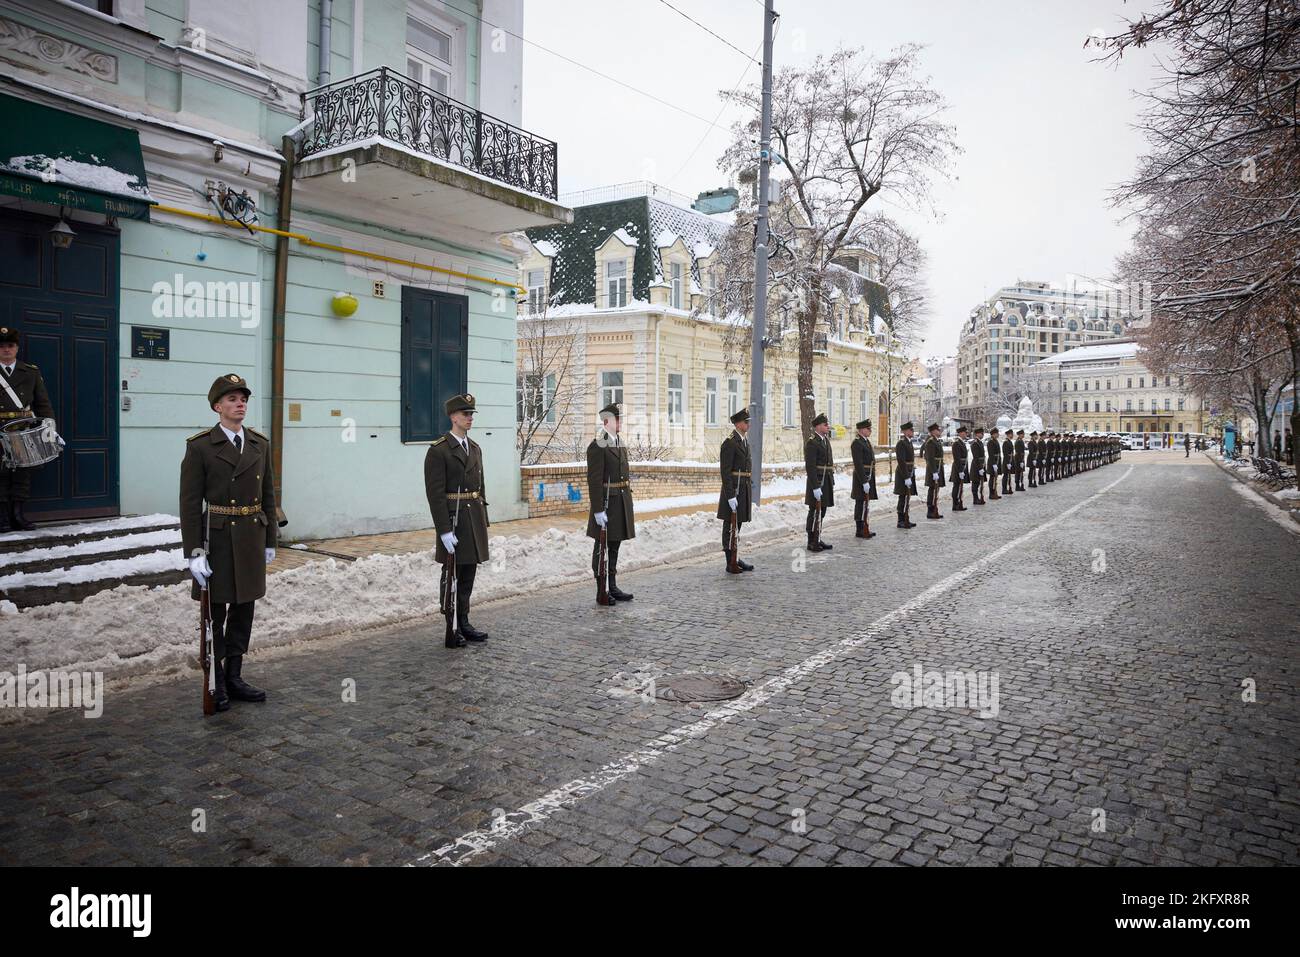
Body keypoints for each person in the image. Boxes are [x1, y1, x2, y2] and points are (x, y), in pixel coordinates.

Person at [180, 374, 277, 712]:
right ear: (217, 406)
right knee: (215, 611)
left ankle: (235, 676)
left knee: (244, 609)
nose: (240, 404)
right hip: (217, 538)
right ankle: (217, 678)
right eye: (233, 399)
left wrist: (270, 539)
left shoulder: (259, 444)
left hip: (251, 535)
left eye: (243, 399)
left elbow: (268, 494)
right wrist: (193, 552)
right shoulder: (200, 446)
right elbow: (190, 505)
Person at [425, 393, 492, 647]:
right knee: (451, 574)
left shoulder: (474, 448)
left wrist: (483, 520)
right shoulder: (438, 451)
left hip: (472, 519)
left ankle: (464, 621)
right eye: (465, 414)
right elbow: (435, 495)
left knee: (468, 574)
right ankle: (451, 624)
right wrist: (443, 530)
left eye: (472, 414)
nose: (470, 418)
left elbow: (480, 488)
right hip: (453, 521)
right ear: (453, 417)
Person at [0, 326, 59, 532]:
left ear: (17, 348)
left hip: (22, 429)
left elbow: (43, 402)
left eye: (10, 346)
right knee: (1, 472)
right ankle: (3, 518)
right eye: (2, 346)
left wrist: (49, 426)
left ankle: (18, 515)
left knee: (22, 472)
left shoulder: (31, 372)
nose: (6, 350)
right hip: (0, 430)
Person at [587, 402, 636, 602]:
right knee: (602, 547)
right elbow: (594, 479)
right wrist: (598, 510)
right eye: (617, 418)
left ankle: (612, 585)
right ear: (607, 421)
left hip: (620, 502)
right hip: (607, 504)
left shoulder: (619, 442)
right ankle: (601, 590)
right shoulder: (598, 444)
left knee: (614, 545)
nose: (621, 422)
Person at [718, 407, 755, 571]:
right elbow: (725, 472)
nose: (748, 424)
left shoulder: (744, 441)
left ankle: (735, 556)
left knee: (737, 525)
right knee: (730, 526)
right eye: (746, 422)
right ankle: (729, 561)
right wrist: (730, 495)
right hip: (733, 489)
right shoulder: (730, 442)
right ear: (738, 423)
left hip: (743, 488)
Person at [805, 412, 835, 551]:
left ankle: (817, 536)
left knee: (822, 511)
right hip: (816, 482)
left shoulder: (825, 440)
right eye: (825, 424)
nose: (828, 426)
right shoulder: (812, 442)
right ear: (818, 426)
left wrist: (831, 480)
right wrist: (815, 486)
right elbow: (810, 467)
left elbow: (829, 463)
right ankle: (811, 540)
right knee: (814, 511)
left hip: (826, 480)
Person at [850, 419, 879, 539]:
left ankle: (864, 526)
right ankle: (859, 528)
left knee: (865, 503)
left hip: (868, 475)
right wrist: (864, 481)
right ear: (861, 430)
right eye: (868, 429)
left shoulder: (866, 442)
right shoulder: (857, 443)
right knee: (860, 502)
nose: (870, 431)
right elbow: (858, 463)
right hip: (861, 476)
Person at [894, 422, 917, 528]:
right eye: (910, 430)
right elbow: (901, 461)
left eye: (912, 430)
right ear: (904, 431)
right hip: (903, 473)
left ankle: (906, 517)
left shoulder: (909, 442)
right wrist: (906, 477)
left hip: (909, 472)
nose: (912, 432)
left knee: (907, 496)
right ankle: (900, 520)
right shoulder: (901, 443)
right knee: (902, 496)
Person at [922, 422, 946, 520]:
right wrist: (934, 472)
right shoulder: (931, 442)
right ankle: (930, 510)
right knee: (932, 489)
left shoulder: (936, 441)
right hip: (934, 469)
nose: (939, 431)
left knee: (936, 489)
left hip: (938, 468)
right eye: (937, 430)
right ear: (933, 431)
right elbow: (930, 458)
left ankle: (934, 509)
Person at [950, 425, 970, 511]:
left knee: (959, 486)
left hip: (962, 467)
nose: (966, 434)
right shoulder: (956, 443)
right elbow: (957, 458)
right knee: (956, 486)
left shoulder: (961, 442)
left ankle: (958, 503)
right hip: (958, 468)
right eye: (965, 433)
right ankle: (955, 504)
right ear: (961, 433)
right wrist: (960, 471)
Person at [970, 425, 987, 505]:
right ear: (977, 434)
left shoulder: (980, 443)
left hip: (981, 465)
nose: (982, 434)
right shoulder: (975, 443)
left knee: (979, 482)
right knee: (975, 483)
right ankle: (975, 498)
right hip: (976, 466)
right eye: (981, 433)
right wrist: (980, 468)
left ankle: (979, 498)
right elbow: (976, 457)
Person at [986, 427, 1002, 500]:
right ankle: (991, 493)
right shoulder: (990, 442)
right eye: (996, 433)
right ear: (993, 434)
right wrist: (994, 464)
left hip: (997, 461)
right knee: (992, 478)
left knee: (995, 478)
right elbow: (991, 454)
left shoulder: (995, 441)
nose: (998, 434)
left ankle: (994, 492)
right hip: (993, 462)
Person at [1001, 429, 1015, 495]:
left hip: (1010, 461)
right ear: (1008, 434)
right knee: (1006, 475)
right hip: (1007, 461)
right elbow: (1005, 453)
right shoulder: (1006, 442)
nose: (1012, 435)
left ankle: (1008, 488)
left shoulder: (1009, 442)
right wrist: (1008, 463)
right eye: (1011, 434)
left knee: (1008, 475)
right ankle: (1004, 489)